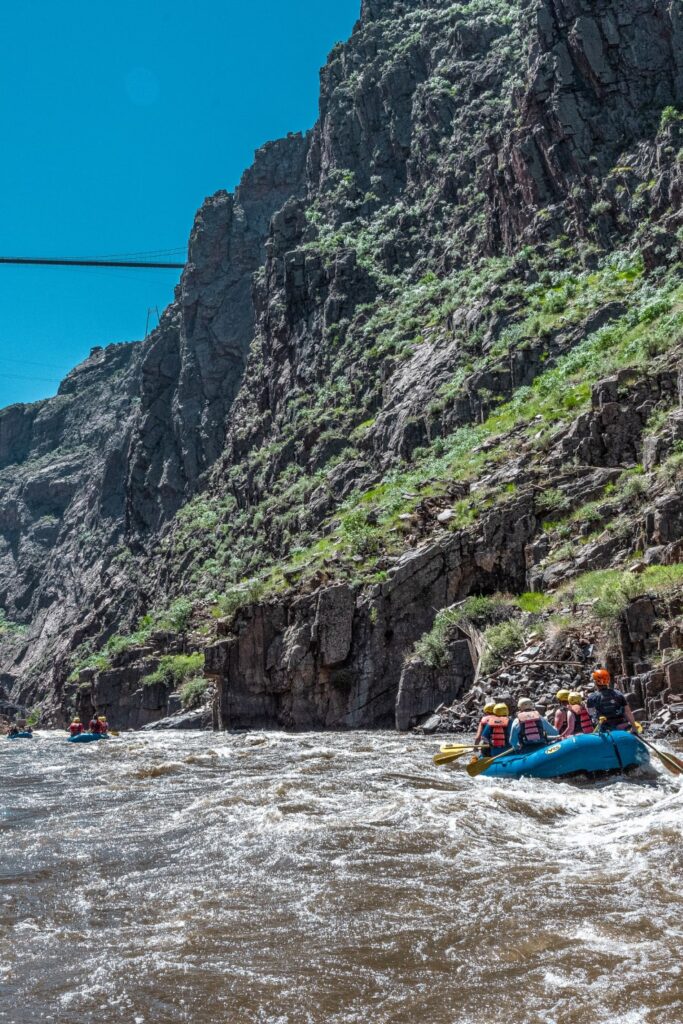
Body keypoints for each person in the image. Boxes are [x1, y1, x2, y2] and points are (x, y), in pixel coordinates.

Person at [586, 668, 642, 732]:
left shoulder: (592, 697)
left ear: (595, 682)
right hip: (621, 725)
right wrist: (634, 726)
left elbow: (591, 713)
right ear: (608, 681)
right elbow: (627, 711)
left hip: (604, 728)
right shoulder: (618, 694)